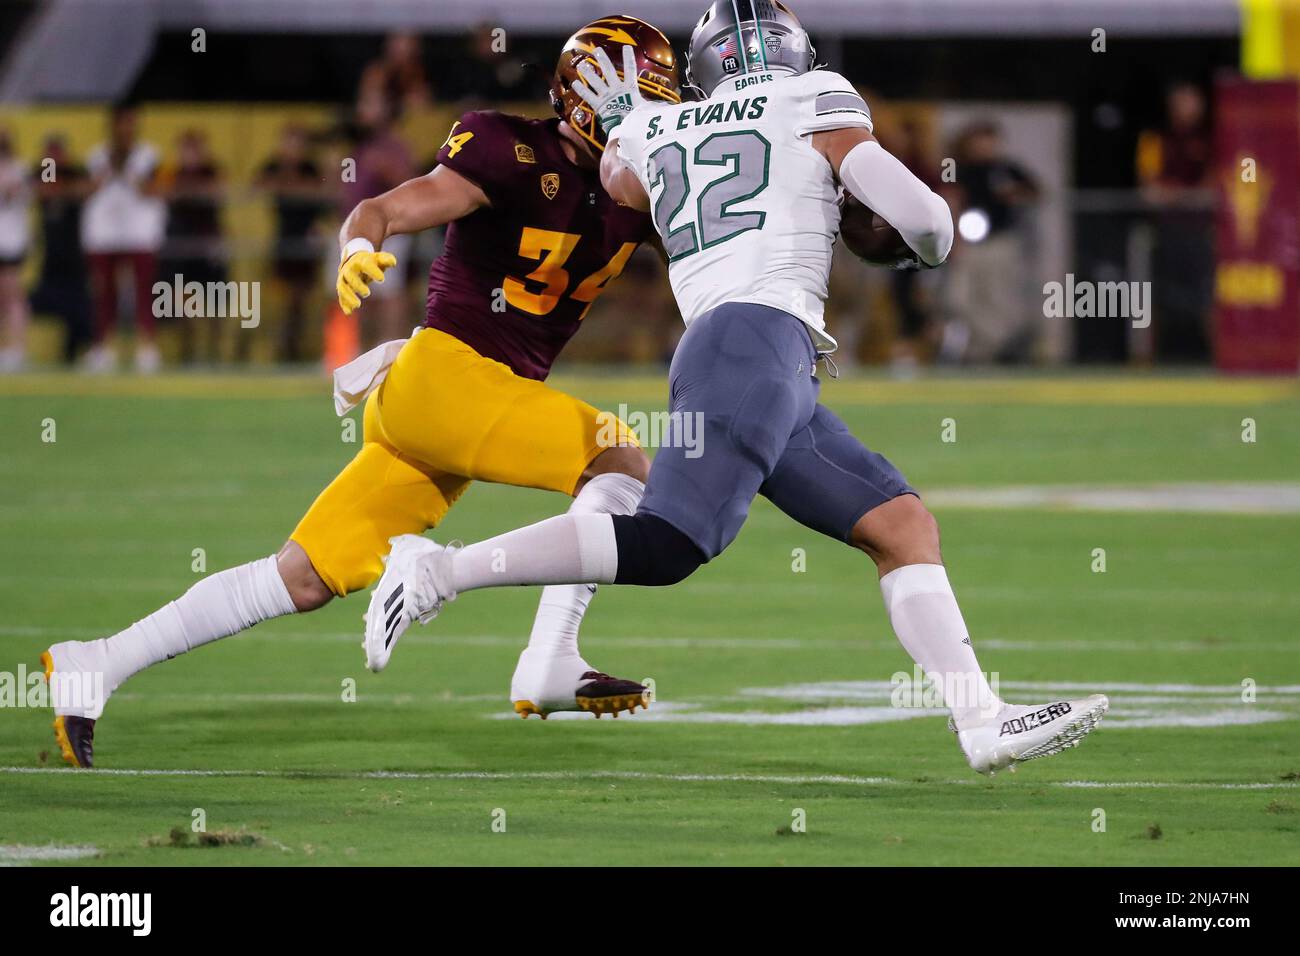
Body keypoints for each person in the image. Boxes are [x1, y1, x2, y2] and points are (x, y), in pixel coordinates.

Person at [364, 0, 1108, 776]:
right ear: (791, 48)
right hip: (754, 343)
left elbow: (619, 184)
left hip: (755, 357)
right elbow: (926, 218)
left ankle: (980, 718)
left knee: (900, 524)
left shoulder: (651, 131)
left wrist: (630, 119)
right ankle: (438, 570)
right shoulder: (813, 93)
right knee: (669, 543)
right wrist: (909, 249)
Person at [43, 16, 684, 767]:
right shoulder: (509, 149)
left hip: (459, 407)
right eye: (645, 96)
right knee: (619, 462)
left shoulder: (637, 191)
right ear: (587, 100)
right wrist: (357, 248)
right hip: (445, 379)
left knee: (303, 576)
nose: (657, 115)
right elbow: (384, 209)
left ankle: (98, 662)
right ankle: (548, 659)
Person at [943, 120, 1040, 363]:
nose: (985, 146)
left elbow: (1037, 191)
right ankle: (999, 344)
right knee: (958, 299)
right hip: (969, 242)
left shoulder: (1006, 168)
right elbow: (949, 196)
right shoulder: (956, 166)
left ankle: (987, 353)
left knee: (998, 298)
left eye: (990, 141)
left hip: (1001, 242)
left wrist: (1014, 193)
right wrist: (953, 239)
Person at [81, 105, 167, 373]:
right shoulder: (96, 155)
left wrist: (132, 173)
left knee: (143, 291)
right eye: (121, 123)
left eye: (130, 124)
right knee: (104, 292)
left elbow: (153, 190)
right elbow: (88, 190)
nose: (125, 129)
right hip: (105, 232)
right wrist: (105, 174)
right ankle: (103, 348)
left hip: (139, 231)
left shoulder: (149, 155)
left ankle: (147, 349)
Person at [256, 124, 329, 362]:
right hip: (283, 236)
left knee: (301, 296)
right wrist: (288, 180)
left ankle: (295, 347)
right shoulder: (274, 164)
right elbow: (258, 185)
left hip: (306, 237)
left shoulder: (310, 167)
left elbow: (320, 190)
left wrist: (290, 184)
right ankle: (282, 346)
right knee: (281, 298)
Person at [159, 129, 228, 364]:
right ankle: (187, 352)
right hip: (182, 246)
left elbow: (218, 191)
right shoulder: (172, 173)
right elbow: (165, 194)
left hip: (208, 245)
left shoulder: (212, 171)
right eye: (186, 149)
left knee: (216, 302)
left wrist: (191, 190)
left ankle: (214, 353)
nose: (190, 154)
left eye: (194, 148)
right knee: (183, 302)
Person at [29, 134, 94, 364]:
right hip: (51, 254)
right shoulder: (46, 169)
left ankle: (78, 352)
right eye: (50, 152)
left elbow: (87, 189)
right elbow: (45, 190)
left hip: (74, 253)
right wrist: (56, 178)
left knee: (80, 307)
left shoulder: (75, 170)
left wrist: (62, 188)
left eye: (57, 152)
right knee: (38, 302)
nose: (53, 157)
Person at [0, 127, 32, 372]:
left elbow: (22, 195)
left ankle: (17, 348)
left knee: (12, 293)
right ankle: (9, 347)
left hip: (10, 241)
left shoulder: (19, 169)